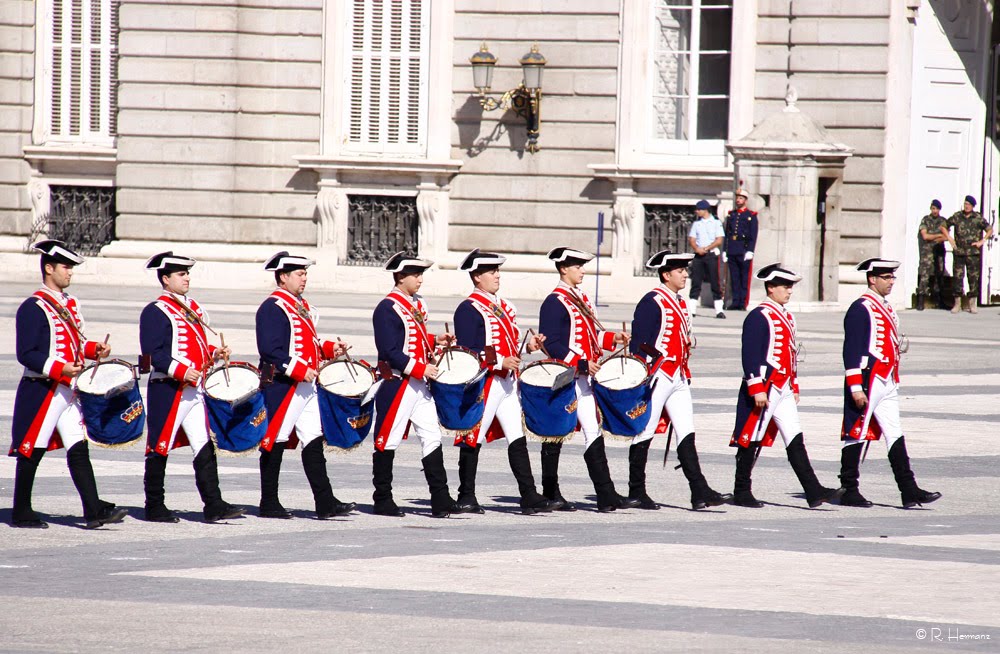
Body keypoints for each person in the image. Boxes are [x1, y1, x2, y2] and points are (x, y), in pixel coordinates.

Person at [9, 240, 127, 529]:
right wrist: (61, 367)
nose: (70, 272)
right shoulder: (33, 306)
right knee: (32, 449)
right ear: (49, 268)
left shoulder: (71, 304)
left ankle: (93, 509)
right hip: (43, 389)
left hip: (67, 390)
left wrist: (93, 349)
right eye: (65, 266)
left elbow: (77, 343)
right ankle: (21, 510)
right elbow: (27, 353)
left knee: (78, 447)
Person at [452, 250, 561, 515]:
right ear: (477, 277)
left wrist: (528, 347)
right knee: (472, 436)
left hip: (508, 384)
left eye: (498, 270)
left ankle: (528, 494)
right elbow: (467, 351)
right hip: (486, 383)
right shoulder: (468, 309)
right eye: (491, 271)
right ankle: (466, 495)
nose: (497, 275)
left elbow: (510, 346)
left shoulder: (504, 306)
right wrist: (500, 362)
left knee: (517, 437)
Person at [139, 252, 245, 524]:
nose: (186, 278)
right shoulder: (156, 310)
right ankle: (154, 505)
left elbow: (194, 348)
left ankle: (213, 504)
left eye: (187, 273)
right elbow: (153, 354)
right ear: (165, 279)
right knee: (159, 446)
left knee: (204, 444)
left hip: (193, 390)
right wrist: (182, 370)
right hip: (168, 389)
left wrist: (213, 352)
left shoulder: (192, 308)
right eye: (180, 274)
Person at [730, 263, 842, 509]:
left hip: (783, 388)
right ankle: (741, 490)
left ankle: (813, 490)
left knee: (795, 438)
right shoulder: (759, 315)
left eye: (790, 286)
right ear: (770, 288)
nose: (790, 291)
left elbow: (791, 354)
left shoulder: (786, 315)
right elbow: (750, 353)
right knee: (752, 438)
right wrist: (755, 386)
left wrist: (794, 384)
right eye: (785, 286)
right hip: (765, 388)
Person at [537, 247, 640, 512]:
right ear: (563, 269)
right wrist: (581, 362)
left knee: (592, 431)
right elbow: (552, 344)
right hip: (565, 376)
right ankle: (551, 492)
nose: (582, 270)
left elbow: (592, 336)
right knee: (555, 433)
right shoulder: (554, 301)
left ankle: (605, 494)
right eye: (577, 266)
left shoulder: (580, 298)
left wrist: (613, 338)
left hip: (584, 378)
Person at [629, 251, 732, 510]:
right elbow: (639, 342)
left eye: (685, 270)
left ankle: (699, 491)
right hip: (658, 376)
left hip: (679, 375)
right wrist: (648, 368)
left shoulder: (679, 301)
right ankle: (636, 490)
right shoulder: (652, 301)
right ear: (666, 274)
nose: (686, 274)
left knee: (686, 432)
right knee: (645, 431)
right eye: (680, 271)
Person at [255, 252, 355, 519]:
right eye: (299, 273)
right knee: (275, 441)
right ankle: (269, 502)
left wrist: (331, 348)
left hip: (306, 386)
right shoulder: (273, 306)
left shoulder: (300, 304)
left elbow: (308, 343)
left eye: (305, 273)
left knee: (313, 440)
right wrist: (300, 370)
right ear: (283, 276)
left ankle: (325, 502)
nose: (304, 278)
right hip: (284, 386)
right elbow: (270, 350)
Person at [840, 259, 942, 508]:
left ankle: (909, 489)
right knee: (856, 433)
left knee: (894, 433)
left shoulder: (886, 307)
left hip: (887, 379)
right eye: (886, 277)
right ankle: (849, 489)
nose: (891, 282)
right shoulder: (861, 308)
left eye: (892, 277)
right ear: (872, 279)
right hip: (867, 379)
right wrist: (855, 386)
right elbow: (851, 348)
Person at [371, 252, 458, 518]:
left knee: (432, 435)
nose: (420, 279)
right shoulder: (387, 307)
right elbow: (389, 350)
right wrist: (422, 368)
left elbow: (413, 339)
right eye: (416, 274)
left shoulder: (417, 303)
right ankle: (382, 498)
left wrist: (435, 340)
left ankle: (440, 498)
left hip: (419, 384)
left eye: (421, 274)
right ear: (400, 276)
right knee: (388, 440)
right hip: (398, 383)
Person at [945, 195, 993, 314]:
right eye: (965, 204)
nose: (967, 206)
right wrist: (949, 238)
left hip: (973, 253)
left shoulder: (977, 218)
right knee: (957, 278)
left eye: (969, 204)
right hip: (959, 252)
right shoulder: (957, 216)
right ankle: (957, 304)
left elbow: (989, 229)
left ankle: (972, 304)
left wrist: (982, 241)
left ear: (973, 206)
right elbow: (944, 226)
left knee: (973, 278)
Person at [687, 200, 726, 319]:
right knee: (696, 282)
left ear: (705, 210)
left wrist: (707, 248)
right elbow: (692, 239)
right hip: (699, 255)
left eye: (699, 209)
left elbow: (719, 240)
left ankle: (719, 310)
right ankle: (691, 309)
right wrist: (697, 248)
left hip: (711, 255)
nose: (697, 211)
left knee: (715, 282)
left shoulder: (715, 222)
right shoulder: (696, 224)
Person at [723, 187, 758, 311]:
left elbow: (753, 235)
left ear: (745, 200)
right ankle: (735, 301)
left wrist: (750, 250)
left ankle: (743, 302)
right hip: (732, 249)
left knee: (744, 277)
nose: (738, 200)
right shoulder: (732, 215)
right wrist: (724, 250)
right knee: (734, 277)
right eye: (737, 198)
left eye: (741, 198)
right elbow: (727, 234)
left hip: (743, 250)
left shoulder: (751, 216)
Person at [915, 199, 948, 311]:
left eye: (937, 209)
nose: (935, 211)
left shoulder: (943, 221)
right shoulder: (926, 220)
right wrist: (938, 235)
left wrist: (934, 236)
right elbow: (925, 236)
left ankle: (939, 300)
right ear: (931, 208)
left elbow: (946, 237)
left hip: (939, 251)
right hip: (927, 252)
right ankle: (921, 300)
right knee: (924, 275)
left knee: (940, 275)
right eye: (933, 208)